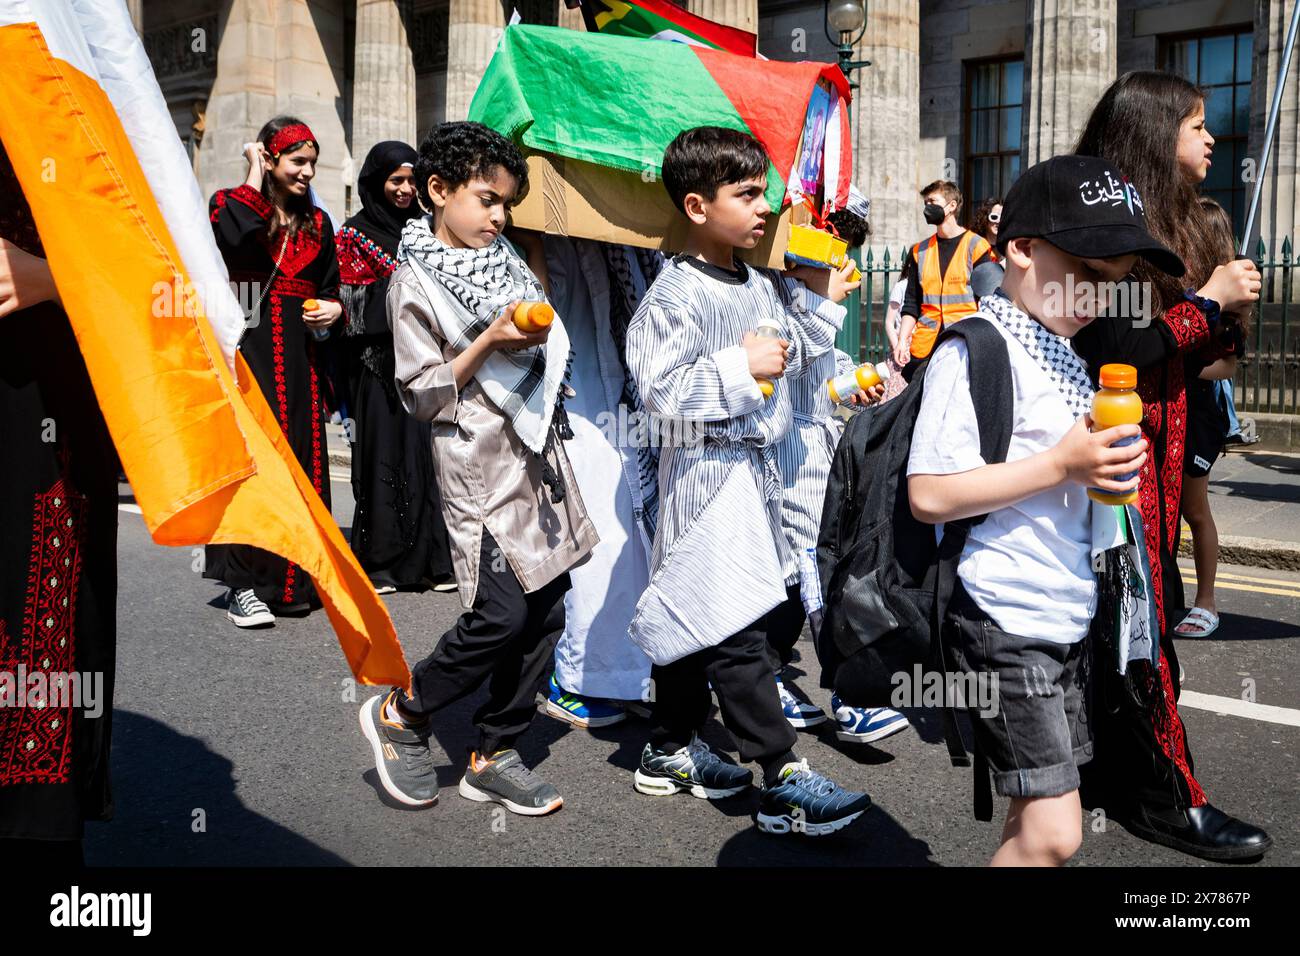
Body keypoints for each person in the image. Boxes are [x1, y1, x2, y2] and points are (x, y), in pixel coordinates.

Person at [909, 154, 1169, 865]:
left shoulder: (1060, 353)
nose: (1097, 298)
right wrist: (1061, 463)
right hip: (1003, 618)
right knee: (1057, 831)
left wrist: (1097, 473)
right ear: (1021, 249)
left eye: (1112, 284)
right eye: (1086, 274)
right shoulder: (978, 350)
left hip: (1061, 615)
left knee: (1034, 820)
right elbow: (929, 493)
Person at [626, 126, 872, 836]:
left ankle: (668, 747)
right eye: (746, 193)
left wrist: (816, 307)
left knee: (698, 620)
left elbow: (790, 364)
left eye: (764, 190)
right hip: (703, 480)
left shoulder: (760, 281)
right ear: (697, 205)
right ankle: (783, 776)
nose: (765, 206)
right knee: (734, 628)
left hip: (755, 476)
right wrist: (739, 369)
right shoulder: (672, 295)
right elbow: (662, 397)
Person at [358, 122, 598, 816]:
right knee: (499, 614)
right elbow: (421, 391)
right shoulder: (413, 281)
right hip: (480, 470)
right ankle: (404, 712)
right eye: (486, 198)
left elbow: (549, 348)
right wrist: (492, 337)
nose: (498, 216)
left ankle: (494, 751)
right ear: (439, 191)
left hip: (537, 464)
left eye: (506, 203)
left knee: (548, 612)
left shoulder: (512, 266)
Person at [1073, 70, 1271, 860]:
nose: (1211, 138)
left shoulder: (1179, 221)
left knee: (1138, 624)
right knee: (1138, 630)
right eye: (1195, 125)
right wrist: (1206, 304)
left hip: (1159, 454)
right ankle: (1169, 799)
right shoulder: (1101, 228)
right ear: (1156, 133)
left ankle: (1119, 773)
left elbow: (1187, 359)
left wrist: (1227, 315)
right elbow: (1117, 347)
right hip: (1109, 464)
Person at [0, 146, 118, 865]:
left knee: (34, 606)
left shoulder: (65, 79)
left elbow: (165, 270)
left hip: (39, 404)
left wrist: (56, 276)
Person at [767, 200, 911, 743]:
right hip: (790, 450)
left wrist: (856, 381)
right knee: (810, 567)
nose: (846, 271)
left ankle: (776, 672)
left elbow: (828, 371)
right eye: (833, 257)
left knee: (812, 563)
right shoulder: (780, 301)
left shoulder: (818, 299)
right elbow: (791, 367)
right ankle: (847, 692)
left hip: (822, 446)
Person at [205, 116, 344, 626]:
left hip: (301, 359)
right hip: (249, 348)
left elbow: (330, 285)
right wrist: (251, 175)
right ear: (269, 158)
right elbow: (235, 238)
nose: (307, 172)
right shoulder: (230, 202)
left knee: (301, 464)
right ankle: (244, 584)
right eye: (295, 162)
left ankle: (295, 580)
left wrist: (333, 310)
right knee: (252, 463)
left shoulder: (319, 224)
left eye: (312, 163)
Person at [541, 237, 659, 729]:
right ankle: (576, 677)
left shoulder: (631, 242)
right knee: (596, 541)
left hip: (625, 402)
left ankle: (627, 675)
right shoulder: (542, 235)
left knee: (634, 539)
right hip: (577, 401)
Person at [336, 140, 455, 595]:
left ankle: (434, 562)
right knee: (384, 457)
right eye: (396, 180)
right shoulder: (353, 235)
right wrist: (408, 290)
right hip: (380, 367)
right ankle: (383, 564)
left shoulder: (428, 233)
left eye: (411, 180)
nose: (405, 190)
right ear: (377, 182)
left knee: (430, 459)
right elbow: (350, 302)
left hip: (427, 362)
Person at [1175, 198, 1249, 639]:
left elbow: (1227, 366)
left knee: (1193, 509)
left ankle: (1207, 601)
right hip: (1167, 407)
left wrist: (1177, 365)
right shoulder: (1182, 287)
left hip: (1201, 416)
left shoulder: (1229, 300)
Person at [894, 180, 1001, 368]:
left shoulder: (976, 246)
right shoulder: (920, 251)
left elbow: (989, 300)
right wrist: (902, 339)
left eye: (932, 202)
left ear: (951, 206)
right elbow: (911, 303)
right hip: (927, 346)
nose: (927, 207)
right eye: (925, 203)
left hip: (965, 342)